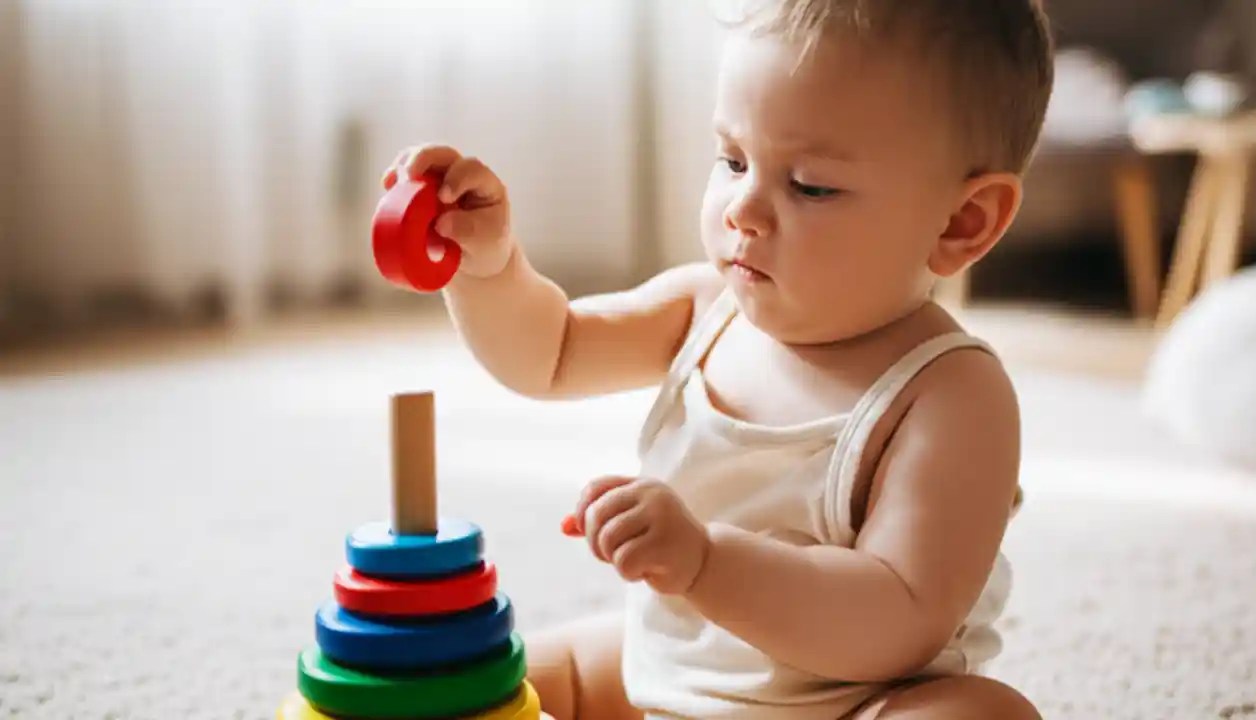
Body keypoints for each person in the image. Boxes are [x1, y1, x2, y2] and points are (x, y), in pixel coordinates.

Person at [382, 1, 1053, 716]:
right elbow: (552, 354)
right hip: (667, 679)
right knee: (494, 676)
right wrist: (488, 269)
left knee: (982, 714)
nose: (743, 209)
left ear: (961, 221)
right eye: (733, 160)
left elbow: (900, 618)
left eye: (810, 185)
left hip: (852, 703)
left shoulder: (951, 395)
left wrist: (706, 561)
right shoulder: (704, 309)